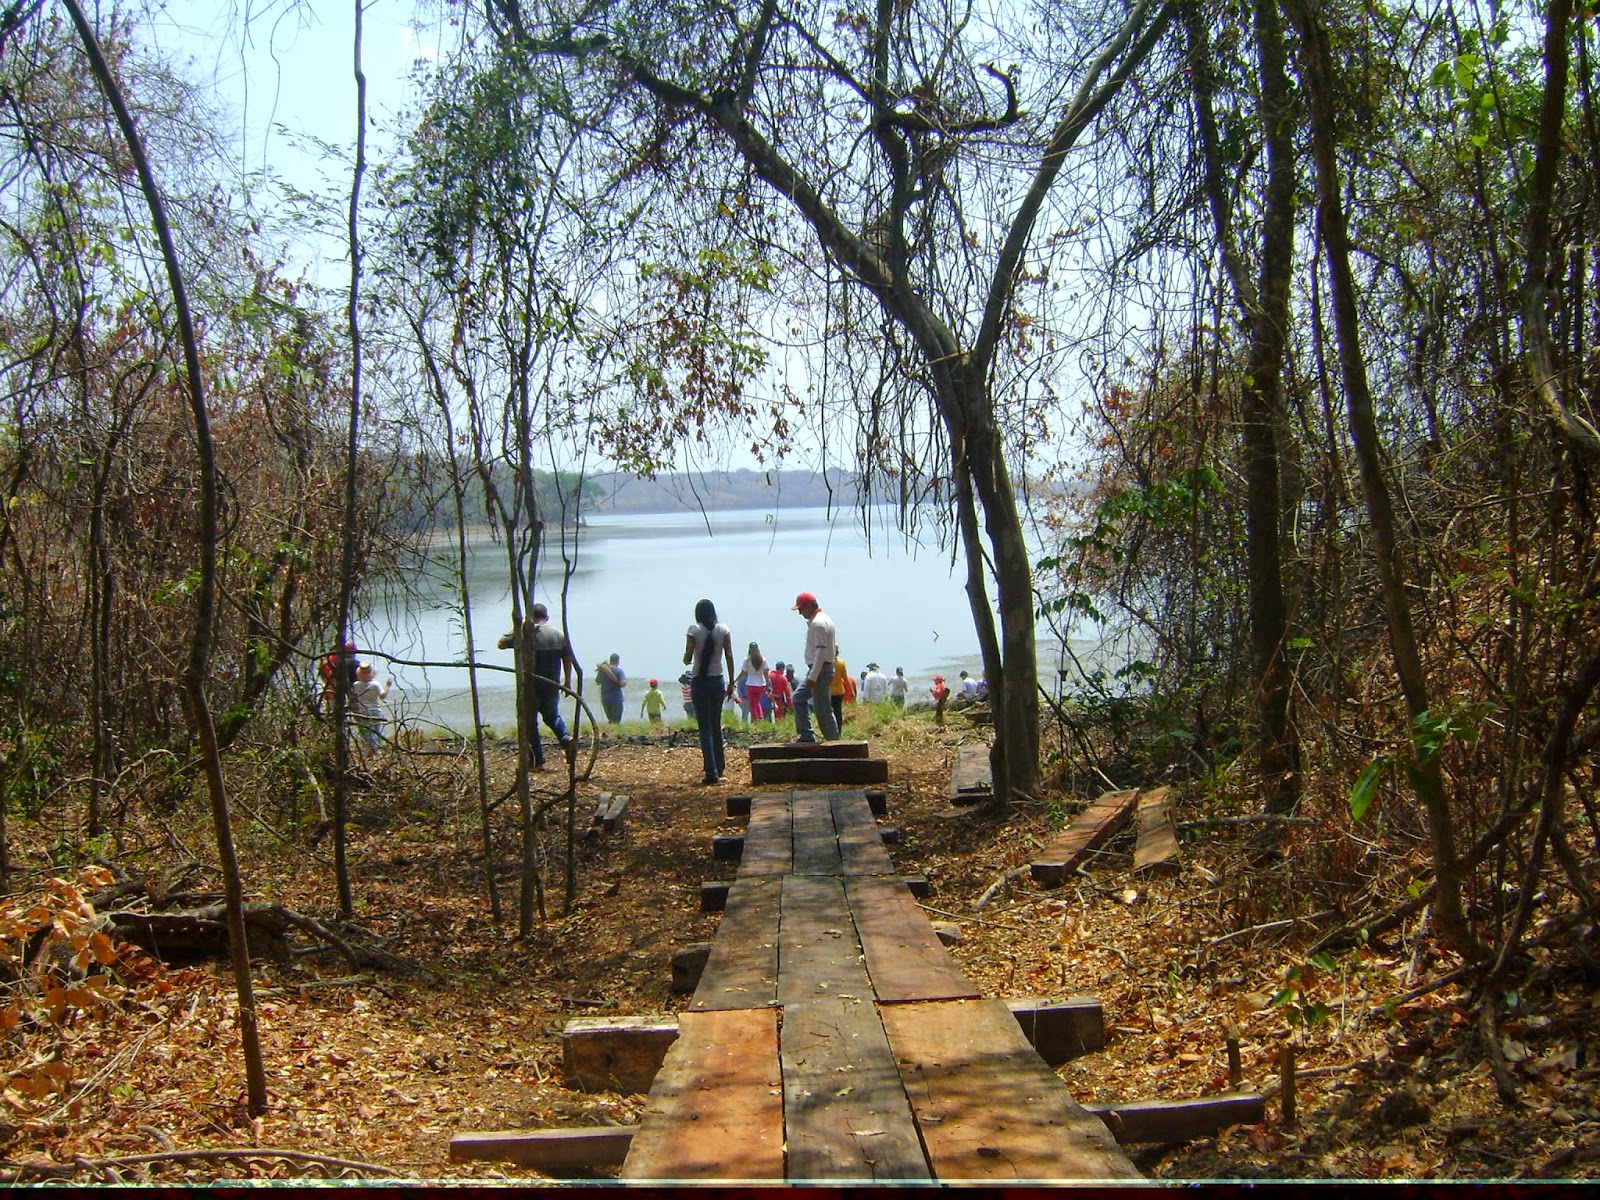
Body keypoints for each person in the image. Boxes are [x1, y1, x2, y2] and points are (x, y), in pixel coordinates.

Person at [498, 602, 580, 771]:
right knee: (552, 716)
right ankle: (565, 738)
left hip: (530, 686)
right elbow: (567, 658)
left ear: (530, 618)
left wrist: (517, 627)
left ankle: (537, 761)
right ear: (547, 617)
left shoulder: (525, 634)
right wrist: (567, 681)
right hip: (552, 684)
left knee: (530, 723)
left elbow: (501, 644)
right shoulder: (559, 634)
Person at [684, 598, 735, 783]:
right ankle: (720, 768)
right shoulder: (723, 629)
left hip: (700, 681)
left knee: (704, 728)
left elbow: (687, 658)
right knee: (716, 725)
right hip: (717, 680)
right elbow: (729, 655)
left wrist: (688, 655)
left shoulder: (693, 630)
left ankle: (710, 772)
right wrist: (731, 681)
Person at [791, 592, 838, 743]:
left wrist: (812, 676)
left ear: (810, 606)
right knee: (803, 700)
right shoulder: (823, 620)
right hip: (821, 668)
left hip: (819, 669)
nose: (800, 613)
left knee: (822, 709)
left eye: (801, 609)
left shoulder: (817, 624)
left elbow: (821, 652)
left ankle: (833, 741)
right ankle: (809, 735)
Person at [350, 660, 391, 754]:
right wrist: (388, 686)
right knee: (376, 732)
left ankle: (373, 751)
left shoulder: (356, 685)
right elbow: (382, 696)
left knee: (368, 734)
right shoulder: (375, 684)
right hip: (375, 711)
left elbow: (353, 697)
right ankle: (377, 752)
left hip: (363, 711)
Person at [318, 640, 358, 713]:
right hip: (336, 691)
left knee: (329, 712)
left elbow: (322, 675)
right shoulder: (342, 661)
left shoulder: (326, 659)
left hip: (329, 689)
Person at [738, 642, 770, 722]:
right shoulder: (763, 660)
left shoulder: (747, 660)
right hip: (761, 684)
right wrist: (768, 686)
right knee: (757, 702)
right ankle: (761, 718)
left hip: (751, 683)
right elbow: (766, 674)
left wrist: (734, 680)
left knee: (752, 704)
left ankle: (756, 720)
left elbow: (743, 672)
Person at [596, 653, 627, 724]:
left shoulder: (602, 670)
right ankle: (615, 733)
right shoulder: (619, 671)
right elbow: (623, 683)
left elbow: (597, 682)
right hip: (616, 699)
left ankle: (610, 732)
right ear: (618, 661)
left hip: (605, 699)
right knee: (616, 720)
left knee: (610, 719)